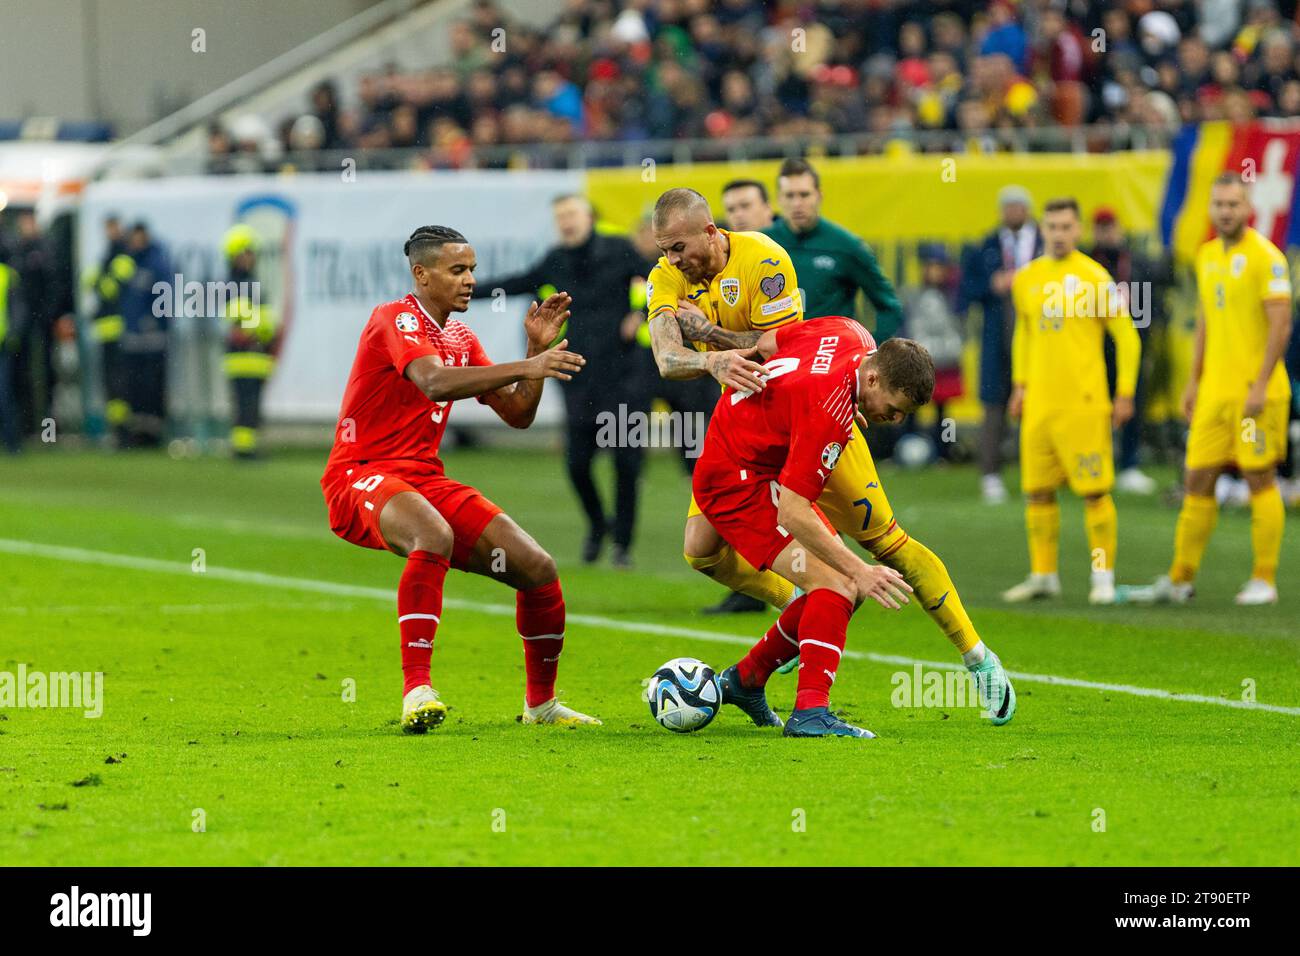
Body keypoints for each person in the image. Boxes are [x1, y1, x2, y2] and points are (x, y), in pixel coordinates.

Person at [648, 188, 1017, 712]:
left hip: (819, 421)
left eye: (679, 248)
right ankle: (800, 607)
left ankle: (977, 657)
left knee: (886, 543)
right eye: (665, 250)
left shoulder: (765, 260)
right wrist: (709, 361)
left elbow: (777, 348)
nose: (671, 260)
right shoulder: (665, 278)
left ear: (712, 231)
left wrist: (708, 335)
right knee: (700, 552)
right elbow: (667, 357)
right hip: (750, 429)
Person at [321, 224, 600, 731]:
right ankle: (417, 690)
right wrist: (527, 362)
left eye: (472, 268)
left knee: (537, 568)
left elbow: (518, 415)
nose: (470, 279)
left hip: (424, 479)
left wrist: (532, 360)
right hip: (360, 474)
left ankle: (541, 706)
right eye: (457, 270)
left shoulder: (460, 337)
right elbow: (433, 382)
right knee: (433, 534)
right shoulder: (394, 318)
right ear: (421, 274)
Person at [694, 317, 1015, 737]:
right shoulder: (828, 410)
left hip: (749, 449)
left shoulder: (850, 333)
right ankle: (810, 713)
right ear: (875, 376)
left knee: (839, 582)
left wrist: (789, 403)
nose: (895, 420)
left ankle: (746, 680)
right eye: (895, 409)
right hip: (737, 481)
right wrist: (859, 569)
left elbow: (770, 343)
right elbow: (793, 512)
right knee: (842, 582)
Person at [473, 195, 648, 567]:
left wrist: (641, 312)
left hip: (623, 376)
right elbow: (518, 281)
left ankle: (622, 545)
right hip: (578, 374)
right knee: (577, 464)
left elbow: (661, 279)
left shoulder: (620, 249)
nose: (566, 221)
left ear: (590, 216)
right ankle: (599, 524)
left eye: (572, 214)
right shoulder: (556, 258)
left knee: (626, 463)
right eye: (560, 217)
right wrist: (468, 290)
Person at [1142, 174, 1292, 605]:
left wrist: (1261, 384)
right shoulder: (1207, 256)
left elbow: (1280, 324)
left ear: (1248, 209)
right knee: (1197, 479)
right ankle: (1181, 577)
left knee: (1259, 478)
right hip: (1214, 393)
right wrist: (1193, 379)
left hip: (1254, 393)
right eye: (1219, 205)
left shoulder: (1267, 258)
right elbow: (1207, 320)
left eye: (1234, 204)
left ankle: (1264, 579)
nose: (1226, 212)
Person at [1002, 197, 1140, 606]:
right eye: (1052, 227)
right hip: (1040, 405)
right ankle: (1044, 575)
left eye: (1066, 227)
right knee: (1037, 492)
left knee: (1094, 493)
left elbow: (1127, 337)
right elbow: (1024, 334)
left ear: (1077, 230)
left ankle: (1103, 576)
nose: (1059, 234)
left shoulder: (1095, 278)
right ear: (1042, 229)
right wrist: (1020, 385)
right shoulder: (1027, 278)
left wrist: (1125, 393)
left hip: (1084, 404)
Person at [959, 185, 1041, 504]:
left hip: (1037, 334)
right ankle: (990, 474)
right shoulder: (987, 246)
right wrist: (990, 284)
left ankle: (1037, 472)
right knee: (994, 405)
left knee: (1037, 404)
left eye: (1019, 206)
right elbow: (966, 290)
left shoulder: (1044, 244)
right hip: (997, 336)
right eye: (1008, 206)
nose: (1013, 212)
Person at [764, 159, 904, 335]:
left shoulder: (846, 246)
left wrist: (873, 354)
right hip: (779, 356)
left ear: (819, 196)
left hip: (833, 356)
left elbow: (889, 306)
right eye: (790, 196)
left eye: (804, 195)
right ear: (779, 199)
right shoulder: (763, 243)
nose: (797, 203)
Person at [1086, 206, 1171, 495]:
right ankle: (1096, 461)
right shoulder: (1087, 262)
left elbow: (1151, 302)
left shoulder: (1135, 261)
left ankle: (1129, 463)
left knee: (1131, 401)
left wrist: (1145, 331)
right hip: (1094, 350)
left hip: (1130, 345)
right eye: (1101, 227)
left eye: (1110, 227)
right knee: (1095, 407)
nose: (1106, 233)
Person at [221, 225, 282, 459]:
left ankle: (248, 447)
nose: (251, 257)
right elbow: (242, 322)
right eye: (246, 252)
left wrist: (264, 327)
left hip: (255, 356)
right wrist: (265, 328)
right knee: (245, 406)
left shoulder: (248, 283)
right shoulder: (234, 284)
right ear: (235, 254)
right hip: (243, 356)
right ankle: (243, 450)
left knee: (251, 406)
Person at [900, 244, 964, 460]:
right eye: (930, 266)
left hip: (946, 363)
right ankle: (904, 447)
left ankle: (946, 450)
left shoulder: (954, 295)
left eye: (939, 267)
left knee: (945, 414)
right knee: (910, 407)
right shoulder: (914, 295)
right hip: (919, 364)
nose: (934, 271)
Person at [117, 222, 172, 447]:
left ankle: (154, 434)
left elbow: (165, 296)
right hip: (132, 339)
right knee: (134, 388)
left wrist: (155, 322)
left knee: (153, 388)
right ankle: (137, 433)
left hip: (153, 339)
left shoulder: (156, 263)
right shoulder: (127, 263)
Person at [83, 215, 135, 444]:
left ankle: (122, 431)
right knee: (110, 383)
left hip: (119, 328)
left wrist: (98, 281)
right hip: (105, 329)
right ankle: (116, 429)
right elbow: (89, 280)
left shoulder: (122, 255)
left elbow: (108, 288)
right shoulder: (109, 254)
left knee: (119, 382)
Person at [0, 252, 26, 454]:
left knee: (4, 393)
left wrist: (13, 334)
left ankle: (12, 442)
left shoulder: (8, 275)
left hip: (3, 345)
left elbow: (18, 309)